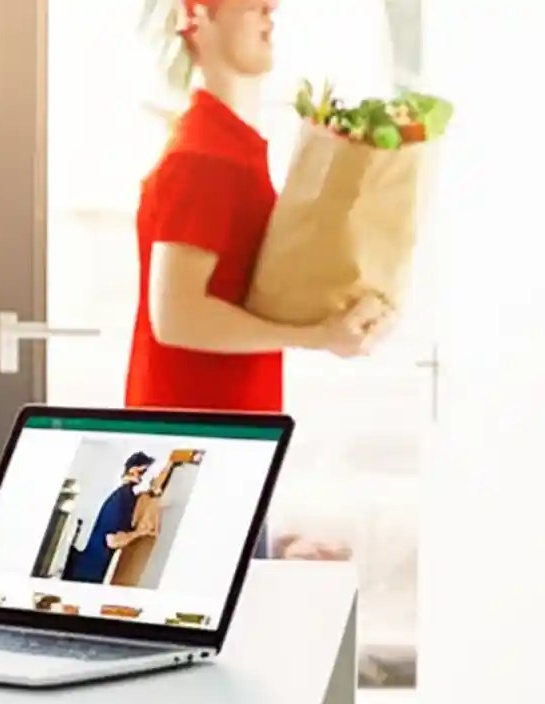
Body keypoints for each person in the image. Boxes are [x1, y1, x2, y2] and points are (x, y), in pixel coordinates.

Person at [127, 0, 395, 558]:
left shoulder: (233, 149)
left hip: (224, 453)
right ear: (193, 16)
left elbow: (240, 296)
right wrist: (319, 336)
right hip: (200, 461)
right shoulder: (203, 156)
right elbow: (176, 317)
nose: (270, 7)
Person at [62, 451, 154, 584]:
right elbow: (113, 541)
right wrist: (141, 533)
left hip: (85, 570)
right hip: (87, 575)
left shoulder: (124, 497)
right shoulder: (123, 498)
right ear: (135, 472)